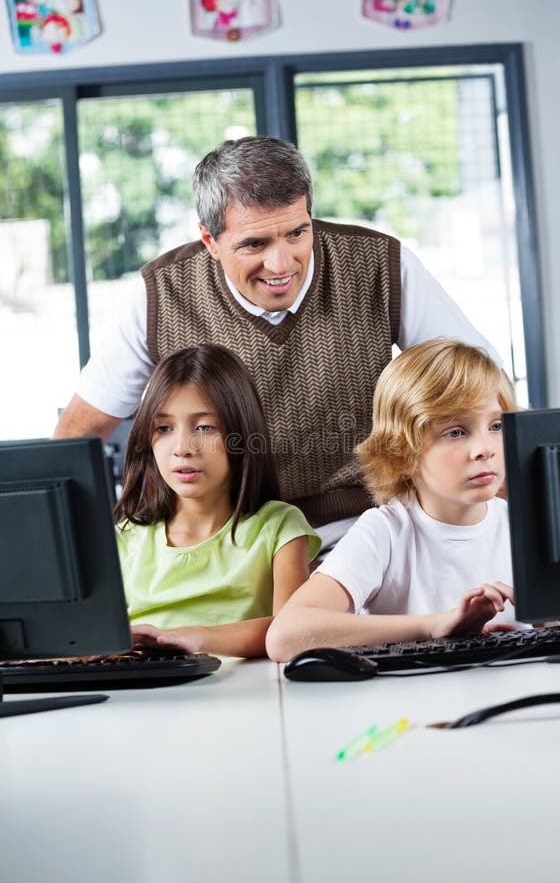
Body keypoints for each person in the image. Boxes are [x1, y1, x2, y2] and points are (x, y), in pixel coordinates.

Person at [54, 135, 502, 548]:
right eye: (255, 244)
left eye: (297, 233)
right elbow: (76, 437)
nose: (281, 262)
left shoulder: (381, 264)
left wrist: (501, 532)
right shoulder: (161, 292)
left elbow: (488, 389)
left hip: (370, 524)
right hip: (233, 537)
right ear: (210, 239)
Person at [266, 339, 522, 663]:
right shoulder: (385, 532)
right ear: (401, 454)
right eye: (456, 432)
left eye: (496, 426)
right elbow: (284, 636)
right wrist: (434, 627)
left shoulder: (526, 524)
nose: (485, 448)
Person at [115, 344, 320, 658]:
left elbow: (292, 630)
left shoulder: (279, 527)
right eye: (164, 428)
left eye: (204, 427)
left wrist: (200, 638)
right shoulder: (126, 538)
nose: (182, 447)